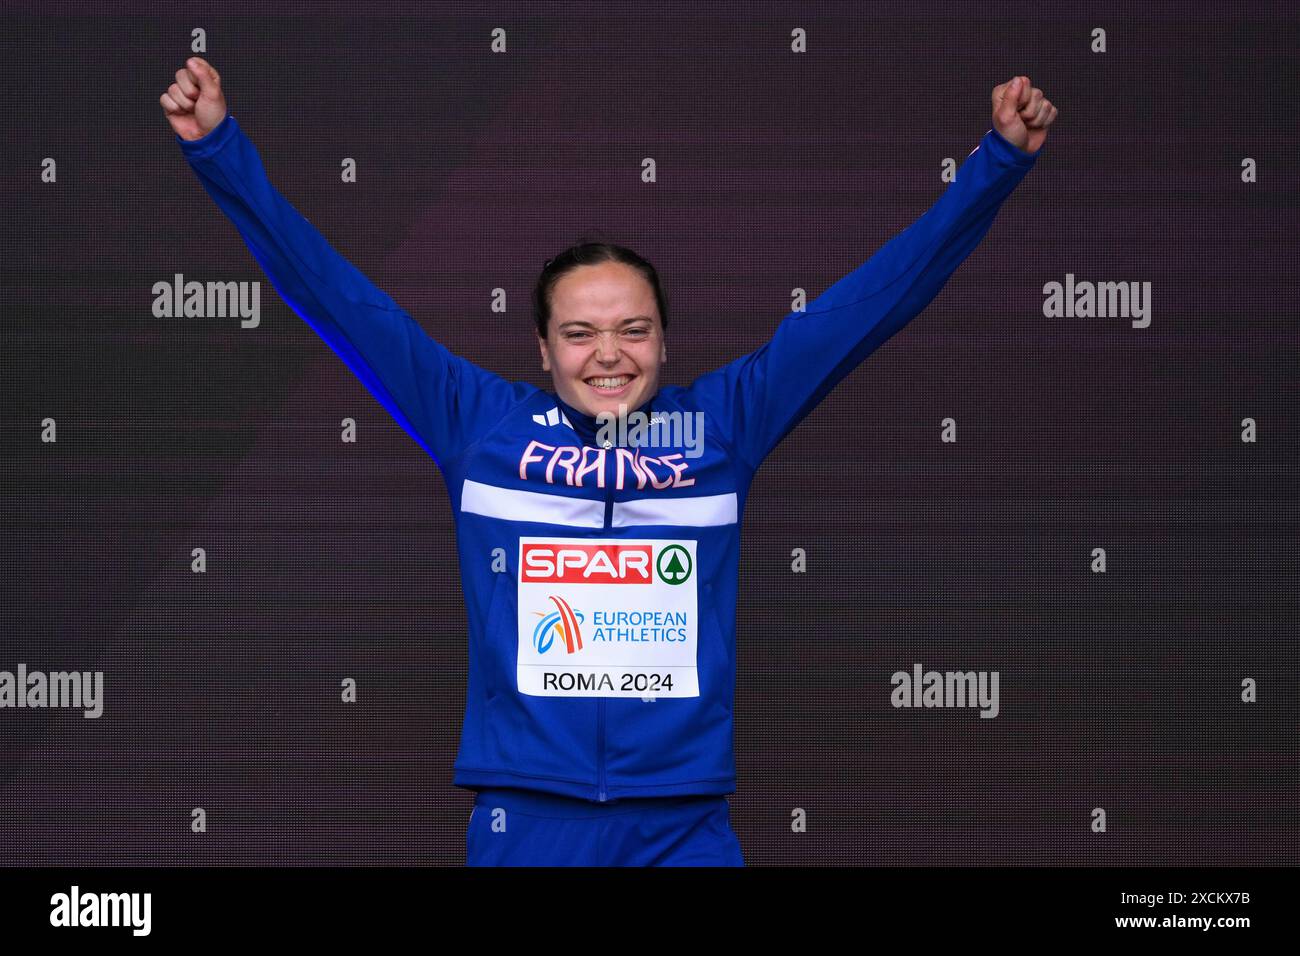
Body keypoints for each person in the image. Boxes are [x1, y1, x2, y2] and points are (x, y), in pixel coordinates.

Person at [161, 57, 1057, 866]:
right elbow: (336, 298)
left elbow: (870, 305)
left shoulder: (722, 427)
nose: (609, 354)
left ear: (666, 344)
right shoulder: (478, 425)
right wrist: (221, 152)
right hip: (525, 818)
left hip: (682, 822)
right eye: (579, 333)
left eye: (634, 329)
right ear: (543, 352)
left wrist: (998, 164)